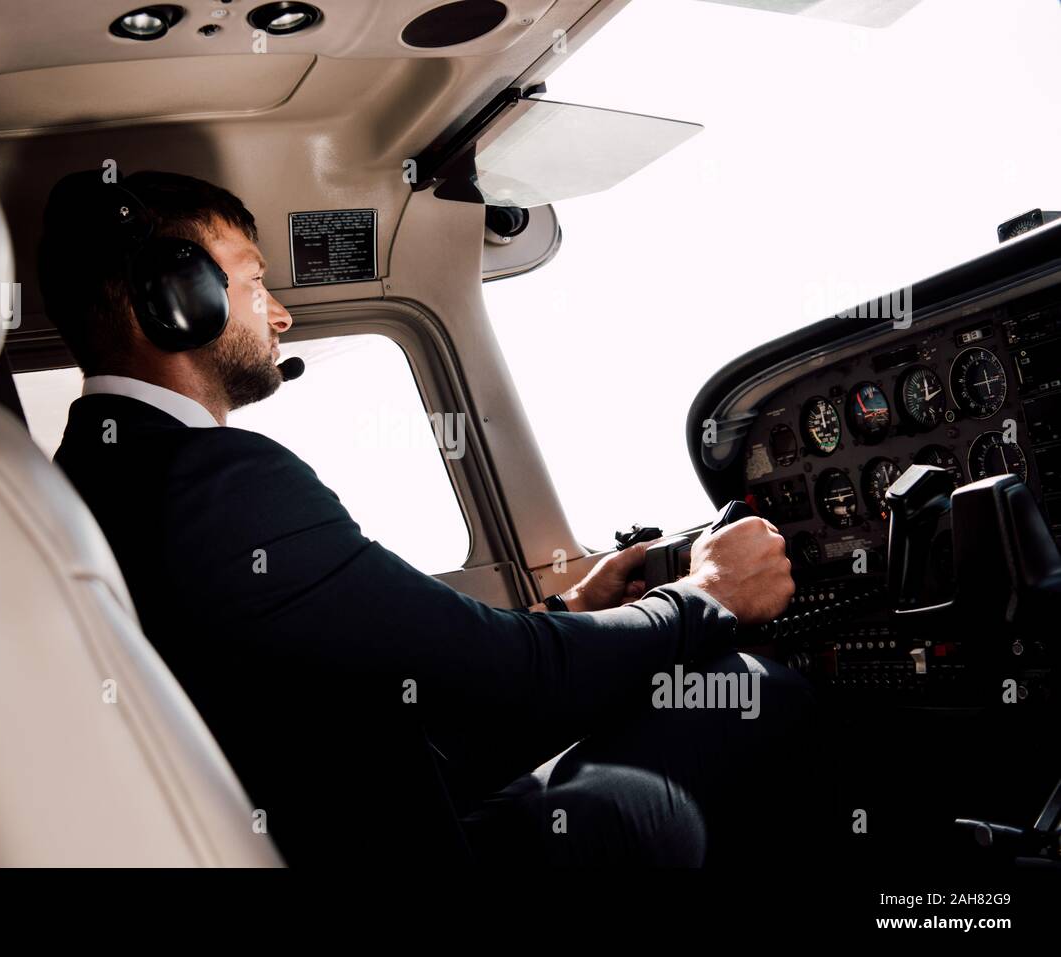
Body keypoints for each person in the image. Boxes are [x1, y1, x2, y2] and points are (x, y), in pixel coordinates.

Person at [42, 169, 813, 866]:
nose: (279, 317)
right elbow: (516, 678)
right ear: (176, 302)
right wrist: (706, 594)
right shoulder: (209, 479)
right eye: (254, 283)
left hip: (328, 819)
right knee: (748, 687)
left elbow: (407, 674)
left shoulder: (84, 480)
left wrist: (570, 605)